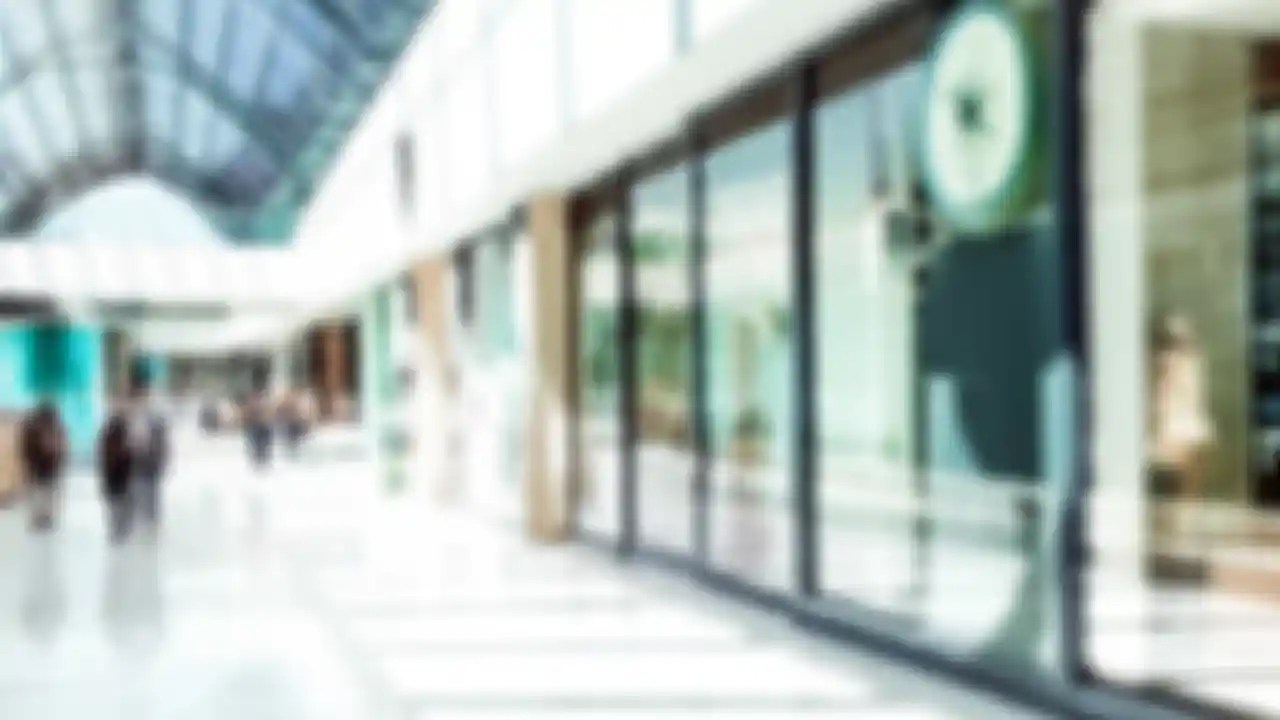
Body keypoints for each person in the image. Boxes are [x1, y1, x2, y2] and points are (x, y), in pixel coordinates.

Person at [127, 383, 170, 535]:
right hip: (135, 463)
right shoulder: (128, 417)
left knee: (152, 494)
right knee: (136, 492)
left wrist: (162, 461)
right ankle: (139, 523)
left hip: (150, 463)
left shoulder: (156, 418)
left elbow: (163, 443)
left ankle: (151, 524)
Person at [19, 401, 67, 532]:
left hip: (44, 465)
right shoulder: (36, 427)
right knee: (42, 492)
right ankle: (42, 517)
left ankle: (43, 517)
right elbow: (61, 446)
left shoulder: (38, 427)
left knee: (43, 492)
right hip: (41, 465)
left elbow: (61, 446)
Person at [98, 402, 133, 543]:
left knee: (116, 505)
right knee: (118, 504)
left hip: (115, 478)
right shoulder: (119, 439)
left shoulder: (107, 437)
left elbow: (103, 457)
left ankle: (118, 529)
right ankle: (119, 529)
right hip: (118, 478)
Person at [244, 389, 273, 472]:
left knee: (263, 447)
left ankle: (262, 463)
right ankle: (258, 464)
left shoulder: (264, 404)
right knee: (257, 447)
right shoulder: (253, 404)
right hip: (256, 427)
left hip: (263, 427)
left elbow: (270, 415)